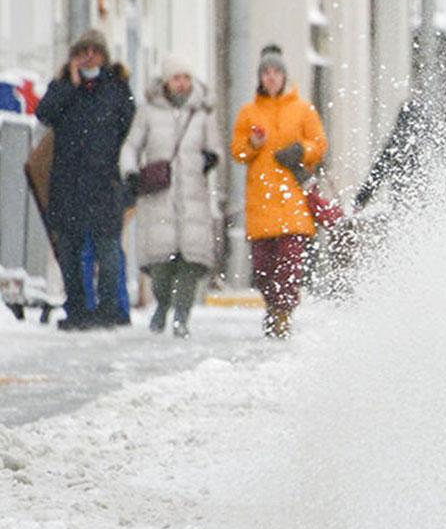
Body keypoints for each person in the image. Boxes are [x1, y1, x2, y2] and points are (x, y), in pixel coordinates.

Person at [36, 30, 136, 330]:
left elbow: (127, 126)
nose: (89, 57)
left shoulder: (116, 88)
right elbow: (44, 113)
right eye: (82, 51)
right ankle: (77, 308)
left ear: (104, 56)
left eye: (95, 51)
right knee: (69, 251)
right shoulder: (63, 88)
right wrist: (71, 86)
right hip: (68, 184)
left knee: (107, 251)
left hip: (104, 183)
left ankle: (108, 309)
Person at [231, 44, 328, 339]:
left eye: (276, 72)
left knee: (289, 266)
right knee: (263, 268)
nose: (271, 78)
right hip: (261, 202)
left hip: (292, 202)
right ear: (260, 78)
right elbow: (238, 151)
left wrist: (301, 150)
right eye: (266, 73)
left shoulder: (302, 109)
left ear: (284, 76)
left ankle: (283, 312)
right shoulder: (249, 113)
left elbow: (320, 145)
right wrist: (254, 145)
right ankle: (273, 307)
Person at [120, 56, 219, 337]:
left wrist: (211, 158)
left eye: (186, 78)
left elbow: (214, 146)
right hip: (159, 195)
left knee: (190, 262)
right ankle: (163, 304)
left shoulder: (202, 113)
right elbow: (131, 146)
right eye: (176, 78)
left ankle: (182, 316)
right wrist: (130, 172)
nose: (182, 83)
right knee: (161, 264)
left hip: (192, 195)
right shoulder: (148, 112)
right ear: (165, 81)